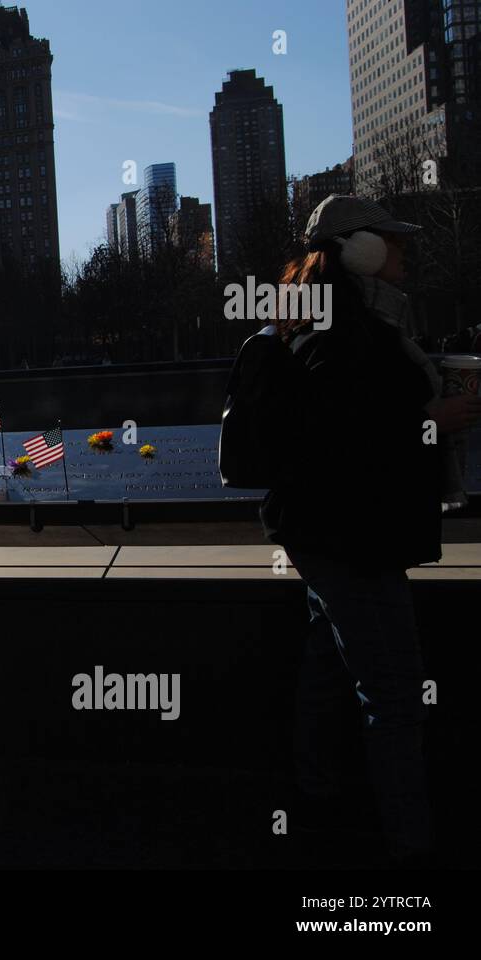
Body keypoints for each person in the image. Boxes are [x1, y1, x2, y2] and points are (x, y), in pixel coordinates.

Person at [263, 196, 481, 868]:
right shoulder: (344, 327)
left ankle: (319, 808)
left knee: (330, 667)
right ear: (356, 248)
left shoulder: (331, 317)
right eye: (393, 241)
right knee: (395, 694)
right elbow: (345, 439)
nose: (405, 253)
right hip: (351, 533)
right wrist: (437, 420)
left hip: (328, 528)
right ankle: (412, 850)